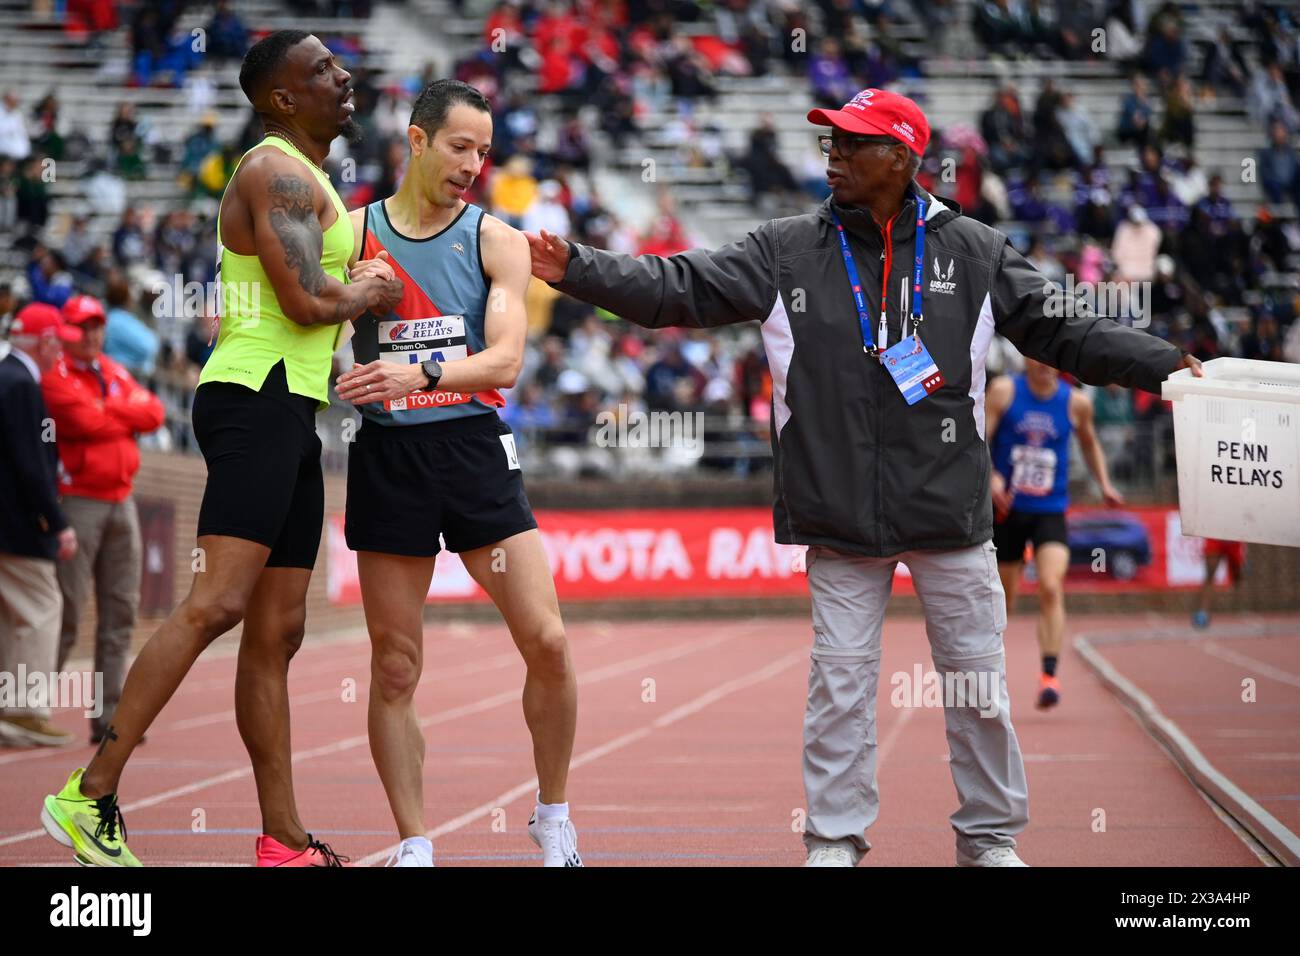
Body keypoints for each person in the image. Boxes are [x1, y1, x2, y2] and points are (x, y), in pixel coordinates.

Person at [527, 87, 1203, 867]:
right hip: (840, 512)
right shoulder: (786, 248)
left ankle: (988, 841)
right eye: (831, 143)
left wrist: (1163, 365)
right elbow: (678, 287)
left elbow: (1066, 329)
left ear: (905, 158)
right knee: (840, 691)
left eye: (853, 144)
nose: (834, 156)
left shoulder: (976, 252)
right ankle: (835, 840)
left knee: (977, 690)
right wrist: (577, 267)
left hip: (950, 510)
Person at [39, 30, 403, 868]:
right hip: (255, 396)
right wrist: (371, 290)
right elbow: (309, 302)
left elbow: (317, 303)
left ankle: (281, 841)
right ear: (281, 99)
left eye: (339, 66)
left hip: (294, 405)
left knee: (277, 632)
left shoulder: (310, 181)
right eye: (321, 71)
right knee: (216, 605)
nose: (343, 78)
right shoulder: (271, 170)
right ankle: (87, 793)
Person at [334, 79, 581, 868]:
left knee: (547, 641)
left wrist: (422, 375)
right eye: (458, 147)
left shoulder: (497, 241)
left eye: (483, 150)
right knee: (396, 663)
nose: (474, 164)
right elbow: (305, 322)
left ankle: (553, 814)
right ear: (414, 140)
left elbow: (506, 358)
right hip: (387, 458)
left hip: (472, 448)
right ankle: (413, 842)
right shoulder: (352, 233)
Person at [41, 294, 165, 743]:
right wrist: (121, 416)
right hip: (78, 500)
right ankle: (28, 708)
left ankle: (108, 716)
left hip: (121, 499)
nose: (93, 334)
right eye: (83, 326)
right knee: (67, 609)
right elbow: (78, 421)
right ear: (66, 331)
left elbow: (153, 412)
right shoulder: (55, 375)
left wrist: (108, 412)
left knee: (121, 612)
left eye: (97, 326)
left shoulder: (110, 370)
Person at [985, 359, 1123, 710]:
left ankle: (1049, 675)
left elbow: (1090, 444)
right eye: (1038, 357)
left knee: (1050, 584)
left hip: (1050, 511)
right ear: (1026, 359)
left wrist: (1104, 484)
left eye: (1052, 360)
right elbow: (977, 438)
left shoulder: (1076, 402)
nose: (1045, 365)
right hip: (1007, 512)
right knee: (1006, 601)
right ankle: (987, 673)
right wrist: (990, 477)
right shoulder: (1004, 392)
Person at [0, 304, 79, 747]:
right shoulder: (21, 385)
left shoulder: (7, 378)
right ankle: (25, 710)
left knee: (11, 615)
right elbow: (30, 465)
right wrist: (57, 522)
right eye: (59, 342)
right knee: (42, 608)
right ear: (46, 342)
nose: (61, 352)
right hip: (17, 526)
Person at [1193, 539, 1246, 629]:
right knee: (1210, 574)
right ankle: (1203, 613)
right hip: (1216, 536)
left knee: (1237, 574)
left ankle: (1239, 606)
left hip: (1234, 538)